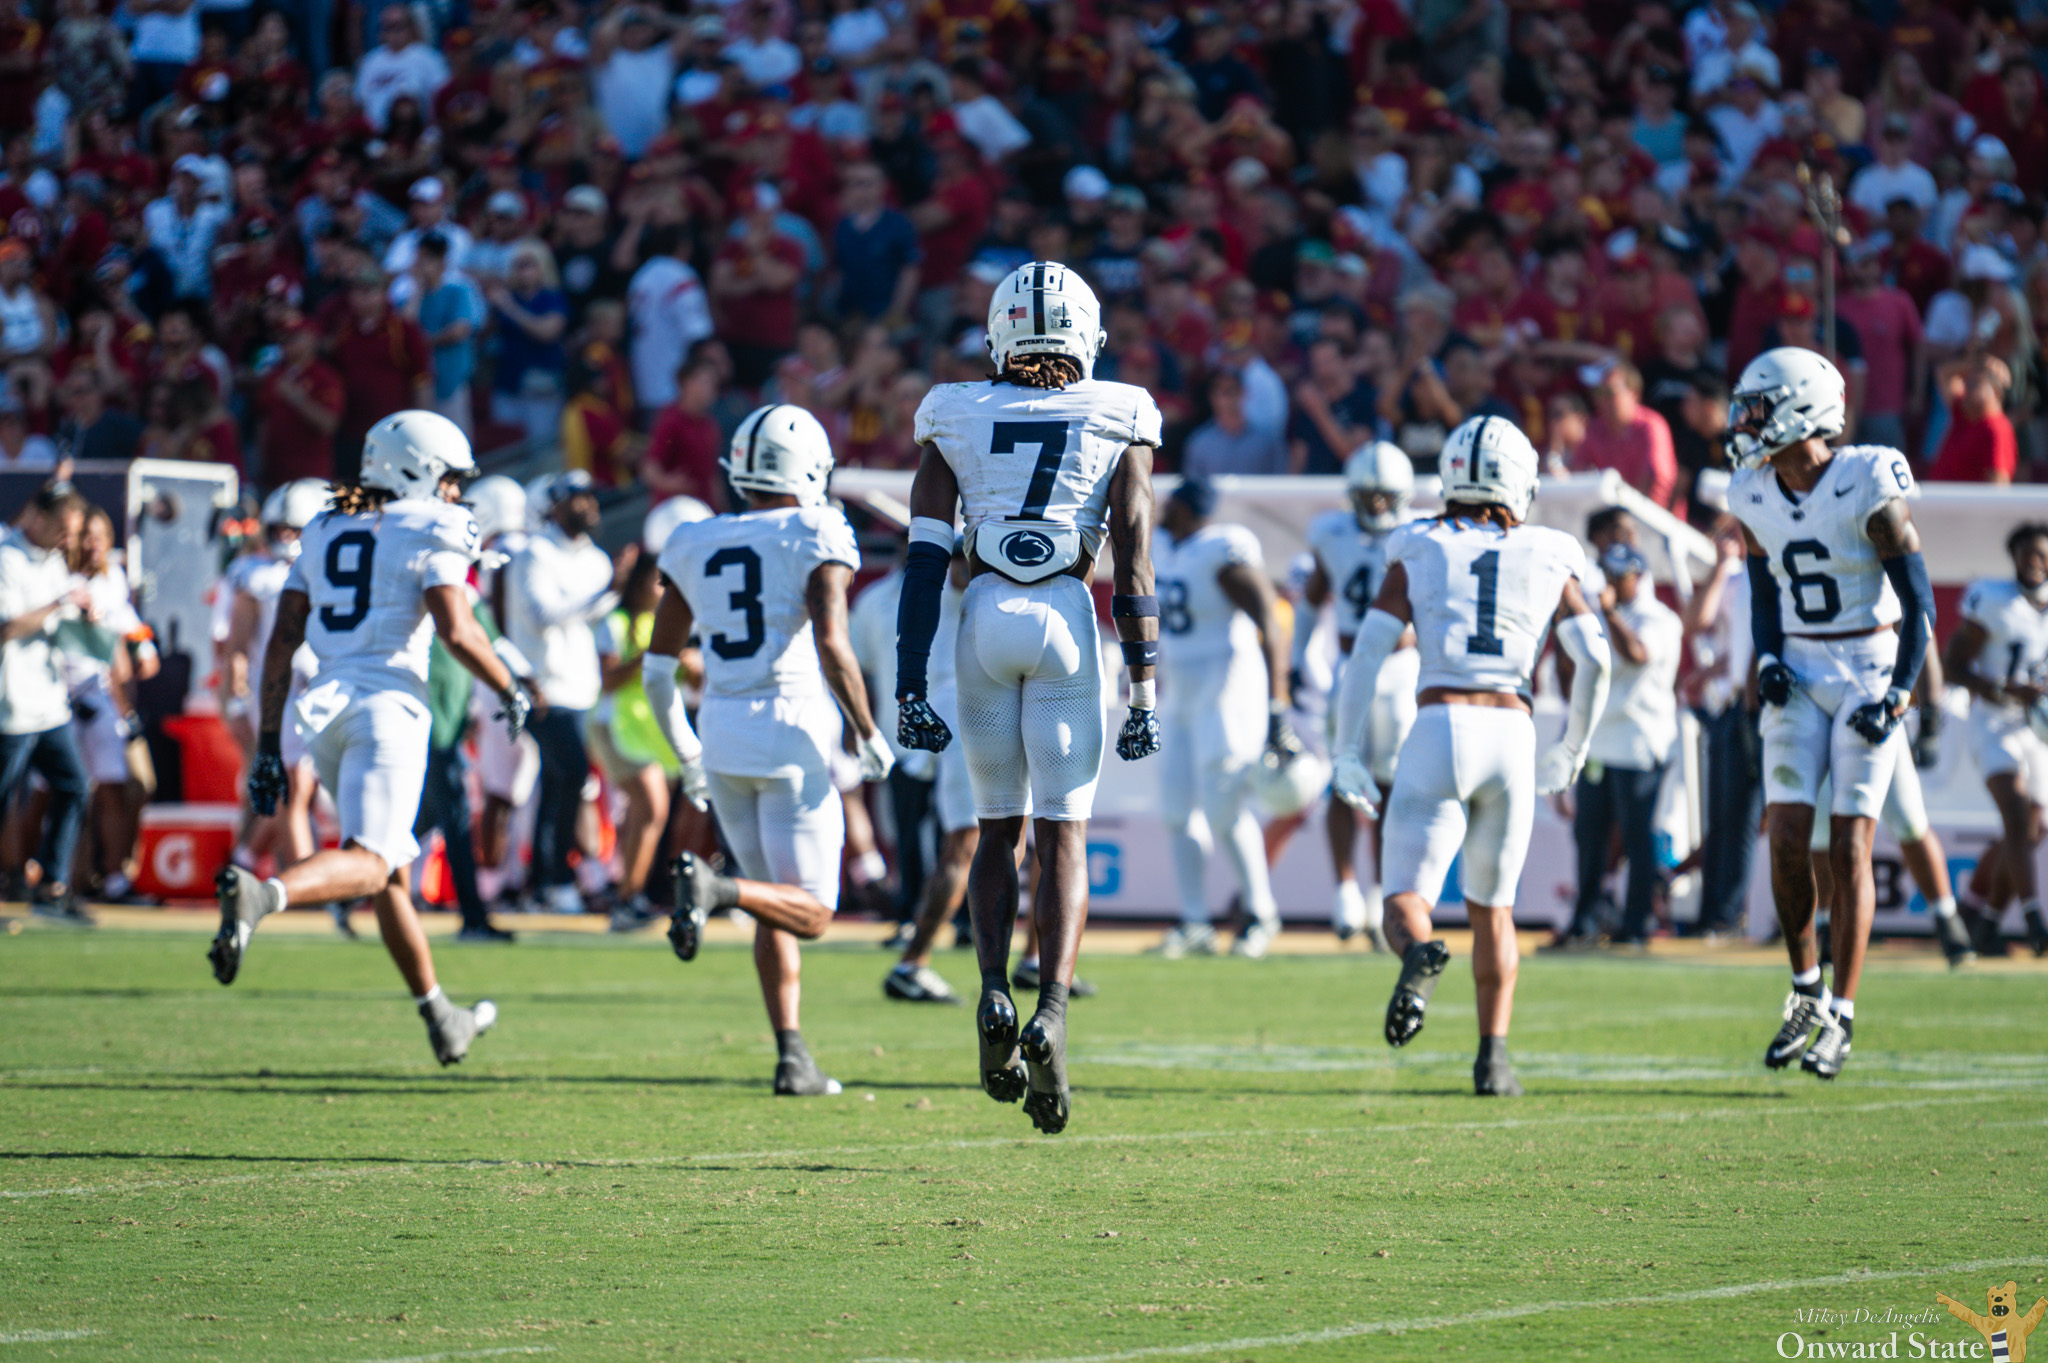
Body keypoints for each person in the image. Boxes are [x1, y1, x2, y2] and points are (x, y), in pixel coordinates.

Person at [894, 261, 1162, 1135]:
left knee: (995, 828)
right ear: (1085, 334)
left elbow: (925, 558)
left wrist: (906, 683)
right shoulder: (1120, 411)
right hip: (1063, 617)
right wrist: (1145, 688)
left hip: (981, 619)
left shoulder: (953, 409)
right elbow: (1136, 558)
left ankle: (989, 989)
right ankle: (1050, 1008)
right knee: (1064, 833)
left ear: (1000, 334)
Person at [213, 411, 529, 1066]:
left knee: (388, 872)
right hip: (388, 705)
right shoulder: (433, 524)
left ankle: (440, 1013)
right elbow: (459, 629)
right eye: (448, 478)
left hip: (322, 708)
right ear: (418, 470)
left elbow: (282, 640)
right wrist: (511, 687)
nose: (453, 494)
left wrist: (270, 741)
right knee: (372, 856)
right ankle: (263, 893)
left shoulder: (325, 527)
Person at [1332, 416, 1611, 1097]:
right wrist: (1572, 744)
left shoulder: (1420, 543)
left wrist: (1345, 749)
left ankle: (1419, 954)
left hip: (1438, 722)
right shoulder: (1549, 550)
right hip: (1512, 733)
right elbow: (1596, 657)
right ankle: (1494, 1059)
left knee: (1404, 896)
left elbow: (1367, 652)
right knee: (1495, 908)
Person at [640, 403, 894, 1096]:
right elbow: (834, 645)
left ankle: (791, 1054)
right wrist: (869, 731)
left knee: (772, 899)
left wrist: (687, 750)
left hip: (722, 733)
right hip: (793, 730)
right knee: (811, 909)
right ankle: (714, 886)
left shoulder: (695, 538)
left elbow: (657, 668)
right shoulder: (816, 528)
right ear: (810, 469)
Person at [1728, 347, 1935, 1082]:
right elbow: (1761, 590)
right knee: (1786, 833)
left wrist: (1902, 693)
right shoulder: (1750, 491)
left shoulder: (1866, 478)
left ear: (1800, 408)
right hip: (1803, 665)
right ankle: (1805, 988)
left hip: (1870, 665)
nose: (1744, 421)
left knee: (1850, 843)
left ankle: (1843, 1011)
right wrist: (1767, 657)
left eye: (1757, 407)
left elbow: (1919, 602)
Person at [1149, 475, 1301, 959]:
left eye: (1174, 503)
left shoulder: (1221, 550)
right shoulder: (1164, 544)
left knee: (1222, 803)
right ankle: (1194, 921)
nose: (1164, 509)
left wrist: (1278, 704)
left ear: (1193, 511)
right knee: (1175, 807)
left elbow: (1269, 622)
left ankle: (1260, 912)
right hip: (1180, 685)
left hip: (1227, 680)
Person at [1295, 441, 1418, 947]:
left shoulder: (1418, 534)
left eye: (1385, 497)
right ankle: (1347, 891)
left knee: (1393, 787)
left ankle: (1383, 894)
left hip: (1401, 667)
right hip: (1350, 666)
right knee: (1344, 778)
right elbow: (1312, 595)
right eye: (1367, 497)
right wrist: (1297, 658)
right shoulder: (1331, 533)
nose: (1376, 507)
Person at [504, 470, 632, 915]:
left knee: (561, 782)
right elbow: (542, 614)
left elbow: (595, 620)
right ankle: (556, 878)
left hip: (581, 687)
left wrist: (617, 590)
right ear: (554, 505)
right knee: (572, 775)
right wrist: (608, 589)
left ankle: (542, 881)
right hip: (546, 685)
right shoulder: (533, 554)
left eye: (591, 496)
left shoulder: (595, 559)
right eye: (578, 497)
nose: (589, 505)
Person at [1557, 543, 1682, 949]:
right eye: (1607, 576)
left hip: (1638, 741)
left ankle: (1638, 921)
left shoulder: (1658, 618)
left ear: (1637, 575)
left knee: (1637, 836)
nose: (1610, 584)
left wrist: (1608, 613)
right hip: (1599, 742)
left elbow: (1638, 655)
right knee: (1589, 836)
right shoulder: (1597, 617)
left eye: (1618, 576)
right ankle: (1587, 918)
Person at [219, 478, 330, 910]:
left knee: (299, 789)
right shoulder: (257, 577)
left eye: (296, 530)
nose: (287, 539)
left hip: (322, 692)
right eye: (281, 529)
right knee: (292, 786)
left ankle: (242, 862)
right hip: (279, 695)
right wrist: (233, 701)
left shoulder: (331, 573)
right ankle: (304, 880)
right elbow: (237, 648)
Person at [1943, 523, 2048, 959]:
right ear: (2013, 557)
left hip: (2034, 728)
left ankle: (1982, 921)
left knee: (2033, 827)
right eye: (2026, 554)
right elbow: (1953, 666)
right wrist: (2005, 689)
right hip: (1991, 721)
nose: (2034, 562)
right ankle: (2034, 922)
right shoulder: (1992, 599)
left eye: (2041, 554)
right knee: (2018, 815)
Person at [880, 535, 972, 1003]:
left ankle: (1038, 962)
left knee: (1041, 846)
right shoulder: (952, 589)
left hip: (973, 710)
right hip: (964, 714)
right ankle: (914, 959)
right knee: (961, 844)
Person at [0, 483, 93, 921]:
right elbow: (7, 627)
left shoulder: (55, 561)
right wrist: (58, 604)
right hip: (10, 704)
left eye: (72, 532)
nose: (67, 541)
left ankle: (53, 886)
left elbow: (57, 627)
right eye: (61, 529)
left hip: (48, 702)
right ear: (35, 516)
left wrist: (85, 618)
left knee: (74, 785)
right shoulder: (6, 557)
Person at [61, 504, 157, 903]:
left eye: (101, 535)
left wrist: (143, 651)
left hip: (104, 700)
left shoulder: (113, 580)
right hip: (60, 697)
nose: (94, 544)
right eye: (88, 535)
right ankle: (55, 875)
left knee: (120, 787)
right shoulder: (58, 578)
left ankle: (113, 876)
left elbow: (133, 640)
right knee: (59, 792)